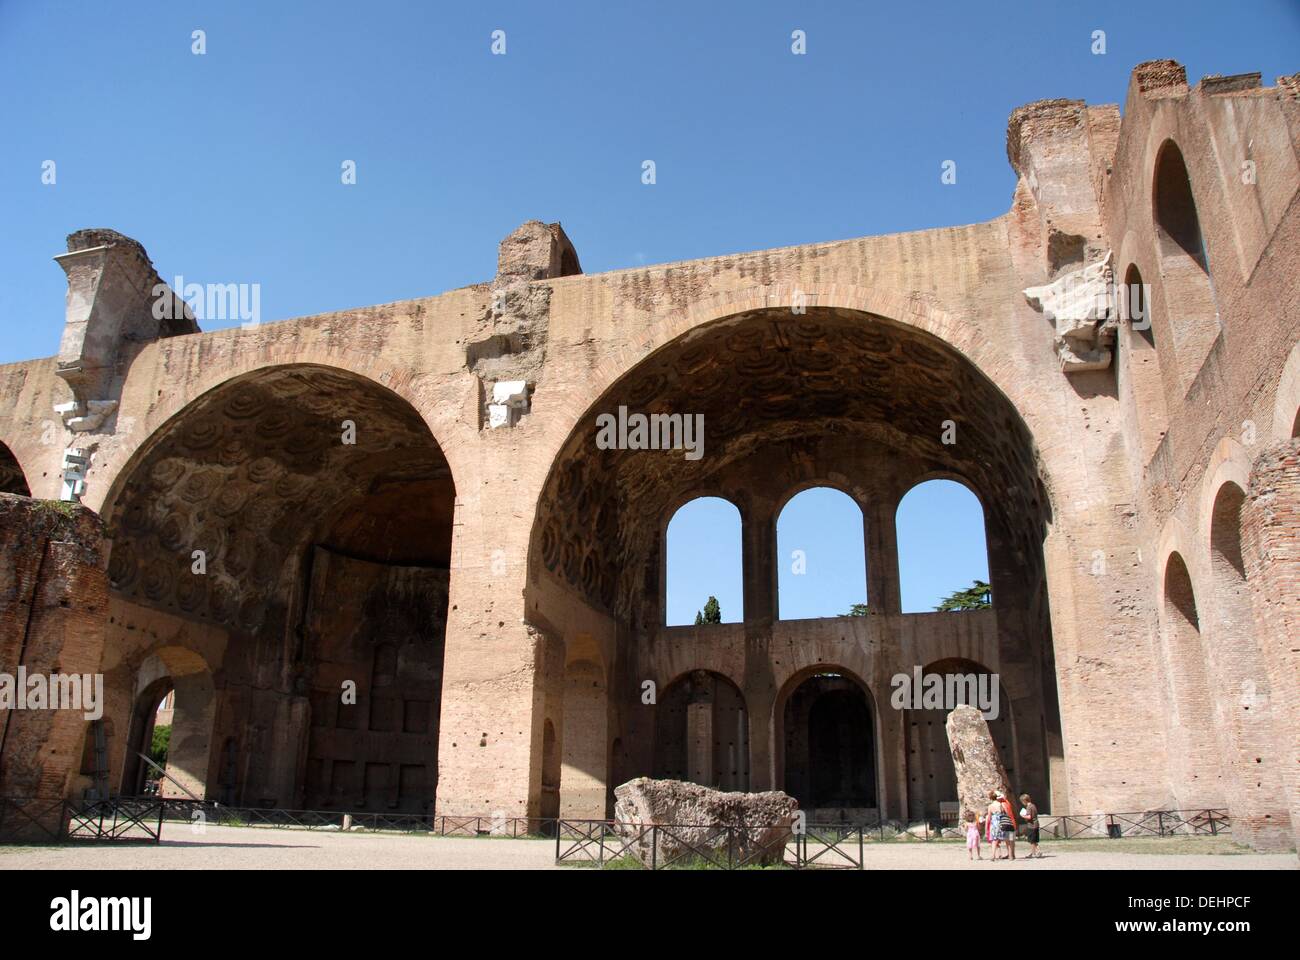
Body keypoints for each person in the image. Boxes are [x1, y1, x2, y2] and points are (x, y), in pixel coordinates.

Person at [997, 790, 1017, 860]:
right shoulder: (1007, 802)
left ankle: (1010, 855)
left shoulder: (1002, 804)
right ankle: (1012, 854)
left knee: (1008, 841)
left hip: (1006, 823)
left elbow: (1003, 812)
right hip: (1012, 822)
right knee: (1011, 840)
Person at [1020, 793, 1041, 858]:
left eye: (1022, 802)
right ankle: (1037, 851)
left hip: (1031, 825)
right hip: (1036, 824)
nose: (1022, 803)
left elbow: (1029, 817)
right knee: (1034, 840)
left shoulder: (1029, 807)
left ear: (1024, 801)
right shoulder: (1033, 805)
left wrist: (1022, 815)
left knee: (1032, 841)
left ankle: (1034, 853)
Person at [985, 791, 1004, 860]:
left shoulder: (990, 806)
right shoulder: (1000, 804)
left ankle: (993, 855)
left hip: (994, 823)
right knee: (997, 840)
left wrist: (987, 826)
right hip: (1000, 822)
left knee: (994, 839)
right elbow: (1002, 812)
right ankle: (999, 854)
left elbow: (989, 817)